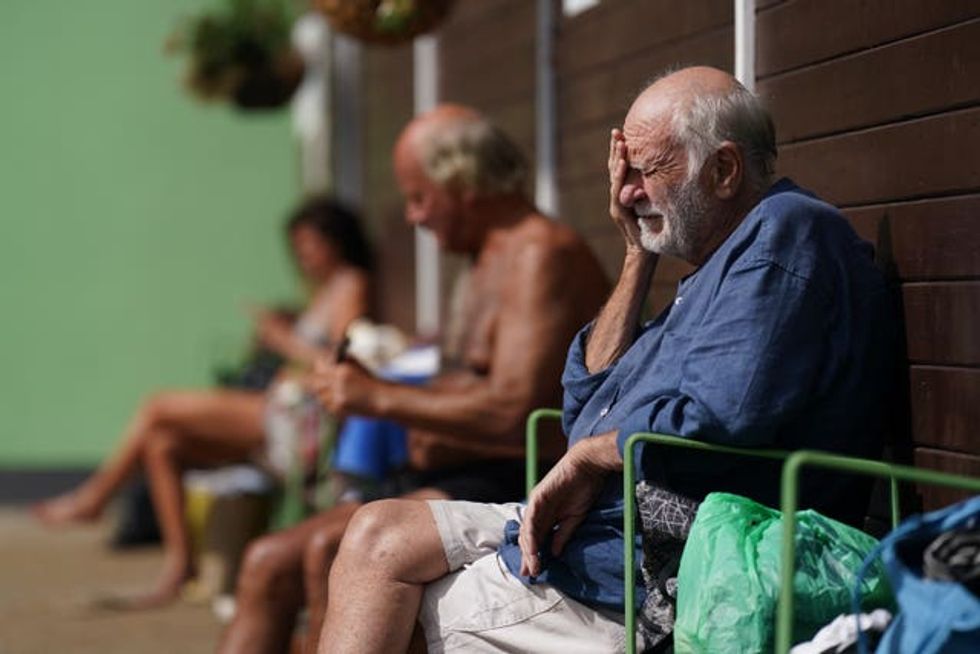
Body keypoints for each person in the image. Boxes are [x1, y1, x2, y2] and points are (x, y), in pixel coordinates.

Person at [314, 66, 896, 653]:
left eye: (645, 172)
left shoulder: (783, 235)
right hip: (597, 533)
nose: (625, 193)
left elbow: (723, 414)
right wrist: (635, 255)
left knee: (410, 609)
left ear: (723, 170)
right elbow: (587, 400)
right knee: (375, 534)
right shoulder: (709, 268)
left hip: (662, 566)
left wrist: (592, 456)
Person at [217, 105, 610, 654]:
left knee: (327, 548)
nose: (412, 216)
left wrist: (378, 397)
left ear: (464, 183)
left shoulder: (540, 254)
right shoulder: (485, 259)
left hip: (515, 482)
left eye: (419, 196)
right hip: (455, 475)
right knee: (264, 563)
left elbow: (513, 410)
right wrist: (382, 383)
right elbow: (472, 381)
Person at [32, 197, 373, 609]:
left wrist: (282, 339)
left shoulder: (352, 282)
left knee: (157, 406)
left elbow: (344, 358)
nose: (303, 255)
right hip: (279, 411)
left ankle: (94, 499)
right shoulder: (324, 290)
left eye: (310, 243)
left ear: (336, 240)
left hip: (296, 421)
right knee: (162, 445)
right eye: (297, 246)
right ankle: (179, 569)